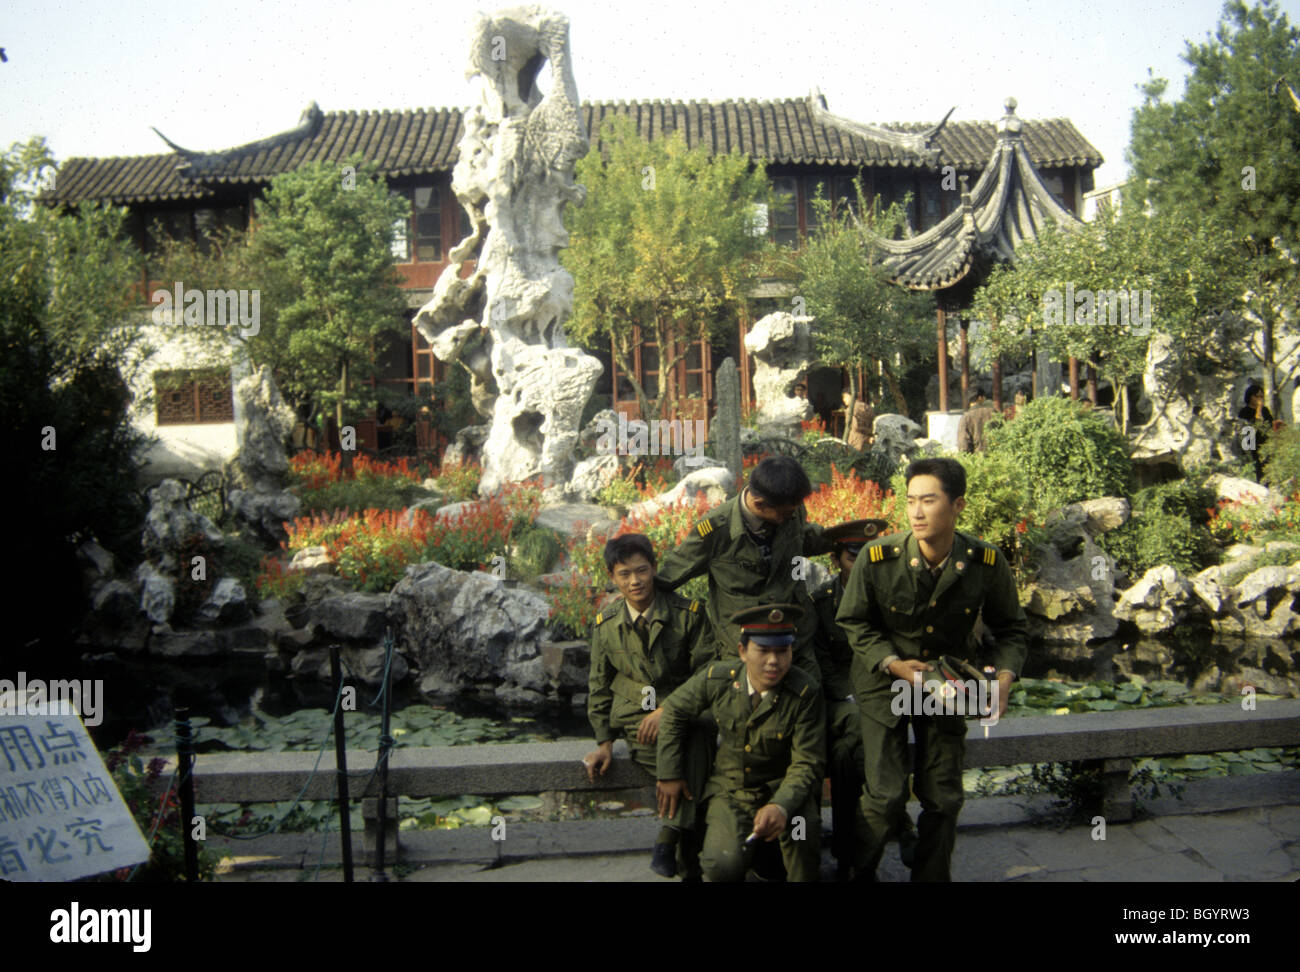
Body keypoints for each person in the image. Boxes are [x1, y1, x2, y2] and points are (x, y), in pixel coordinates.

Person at [836, 457, 1029, 881]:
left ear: (957, 505)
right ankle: (858, 871)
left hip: (946, 687)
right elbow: (854, 622)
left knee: (942, 798)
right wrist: (893, 664)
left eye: (929, 500)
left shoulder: (985, 562)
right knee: (885, 795)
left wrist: (1003, 678)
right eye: (910, 501)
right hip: (885, 682)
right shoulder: (877, 557)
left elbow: (1013, 629)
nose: (917, 512)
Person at [656, 603, 825, 882]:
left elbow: (807, 762)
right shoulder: (719, 679)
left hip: (784, 791)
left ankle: (774, 859)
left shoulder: (805, 692)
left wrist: (781, 806)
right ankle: (755, 856)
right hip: (732, 791)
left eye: (782, 651)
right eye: (763, 651)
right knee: (721, 865)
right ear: (743, 651)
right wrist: (670, 772)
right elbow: (674, 710)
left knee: (802, 840)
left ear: (792, 651)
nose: (773, 661)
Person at [583, 534, 713, 879]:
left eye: (642, 571)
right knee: (695, 759)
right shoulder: (606, 624)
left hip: (685, 709)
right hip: (636, 719)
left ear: (655, 568)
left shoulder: (689, 614)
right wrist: (604, 742)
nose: (635, 581)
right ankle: (682, 854)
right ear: (613, 577)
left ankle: (669, 838)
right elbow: (598, 684)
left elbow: (707, 673)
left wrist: (668, 708)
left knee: (699, 734)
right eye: (625, 574)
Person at [655, 456, 832, 683]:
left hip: (794, 637)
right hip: (744, 646)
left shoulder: (790, 509)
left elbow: (800, 538)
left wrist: (839, 540)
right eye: (786, 513)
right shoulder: (716, 530)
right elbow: (670, 575)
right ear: (759, 504)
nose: (792, 516)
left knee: (807, 702)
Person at [811, 518, 918, 879]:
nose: (860, 563)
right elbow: (821, 660)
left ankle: (850, 856)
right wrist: (849, 694)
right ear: (837, 557)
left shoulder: (889, 598)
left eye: (868, 555)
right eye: (853, 555)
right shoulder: (822, 602)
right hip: (841, 699)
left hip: (882, 693)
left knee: (844, 755)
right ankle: (900, 823)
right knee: (857, 729)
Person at [1237, 384, 1275, 482]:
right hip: (1251, 445)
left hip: (1264, 444)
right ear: (1250, 396)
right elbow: (1248, 429)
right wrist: (1258, 411)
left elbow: (1269, 424)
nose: (1259, 399)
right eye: (1256, 396)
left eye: (1261, 396)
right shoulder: (1244, 411)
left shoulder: (1265, 410)